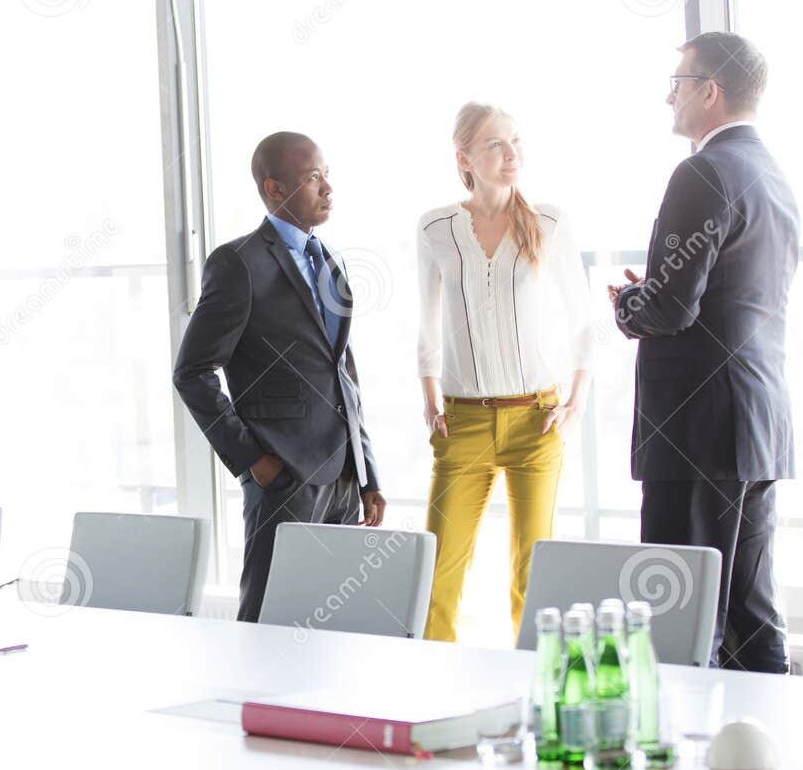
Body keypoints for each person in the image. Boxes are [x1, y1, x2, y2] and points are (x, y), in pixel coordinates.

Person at [608, 31, 799, 673]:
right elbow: (730, 296)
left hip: (698, 428)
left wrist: (628, 305)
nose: (669, 97)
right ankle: (764, 755)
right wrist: (662, 294)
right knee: (749, 613)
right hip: (756, 422)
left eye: (679, 83)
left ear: (710, 92)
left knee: (681, 619)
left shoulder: (702, 171)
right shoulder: (770, 172)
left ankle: (678, 762)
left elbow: (670, 309)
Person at [173, 131, 384, 622]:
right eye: (314, 178)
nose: (328, 188)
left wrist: (367, 469)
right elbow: (192, 371)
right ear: (274, 188)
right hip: (283, 475)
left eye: (326, 175)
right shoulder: (238, 263)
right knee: (267, 617)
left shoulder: (329, 258)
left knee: (337, 621)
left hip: (343, 474)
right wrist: (253, 460)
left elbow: (342, 372)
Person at [417, 103, 594, 642]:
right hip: (462, 421)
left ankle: (536, 691)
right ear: (464, 156)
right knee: (437, 571)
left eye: (515, 141)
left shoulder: (549, 222)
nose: (510, 153)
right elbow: (426, 325)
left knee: (533, 571)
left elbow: (584, 321)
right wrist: (429, 399)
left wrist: (575, 404)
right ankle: (428, 695)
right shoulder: (436, 227)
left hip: (536, 421)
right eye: (494, 143)